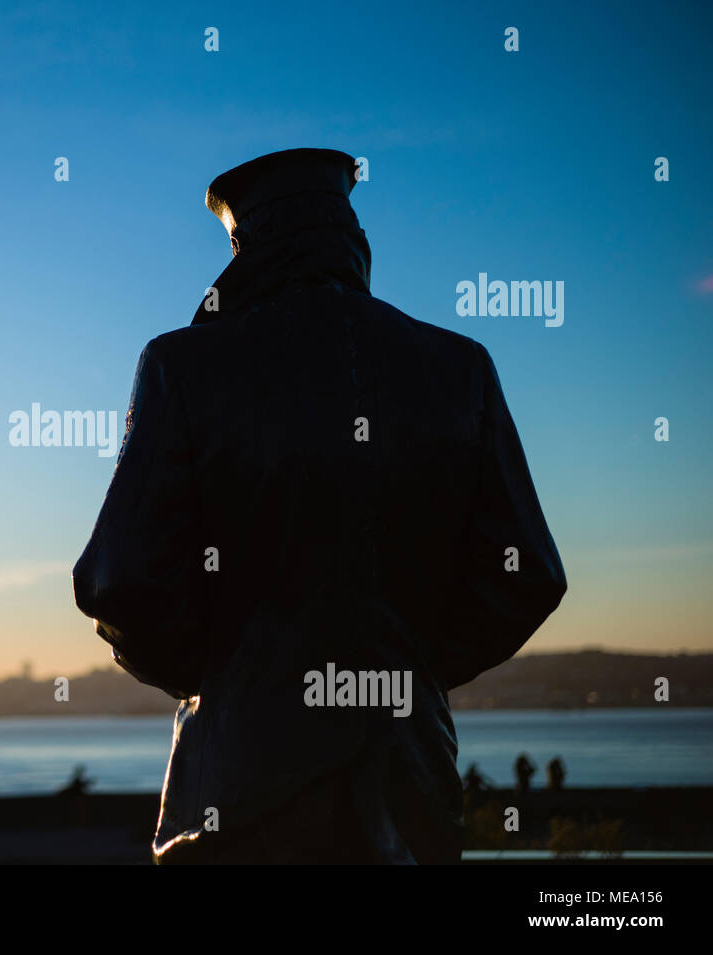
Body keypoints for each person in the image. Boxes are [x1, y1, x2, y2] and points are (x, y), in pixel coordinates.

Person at [72, 148, 567, 864]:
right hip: (410, 778)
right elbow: (528, 575)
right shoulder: (459, 368)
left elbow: (118, 582)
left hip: (241, 786)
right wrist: (402, 670)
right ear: (347, 233)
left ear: (249, 245)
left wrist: (228, 674)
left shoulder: (184, 366)